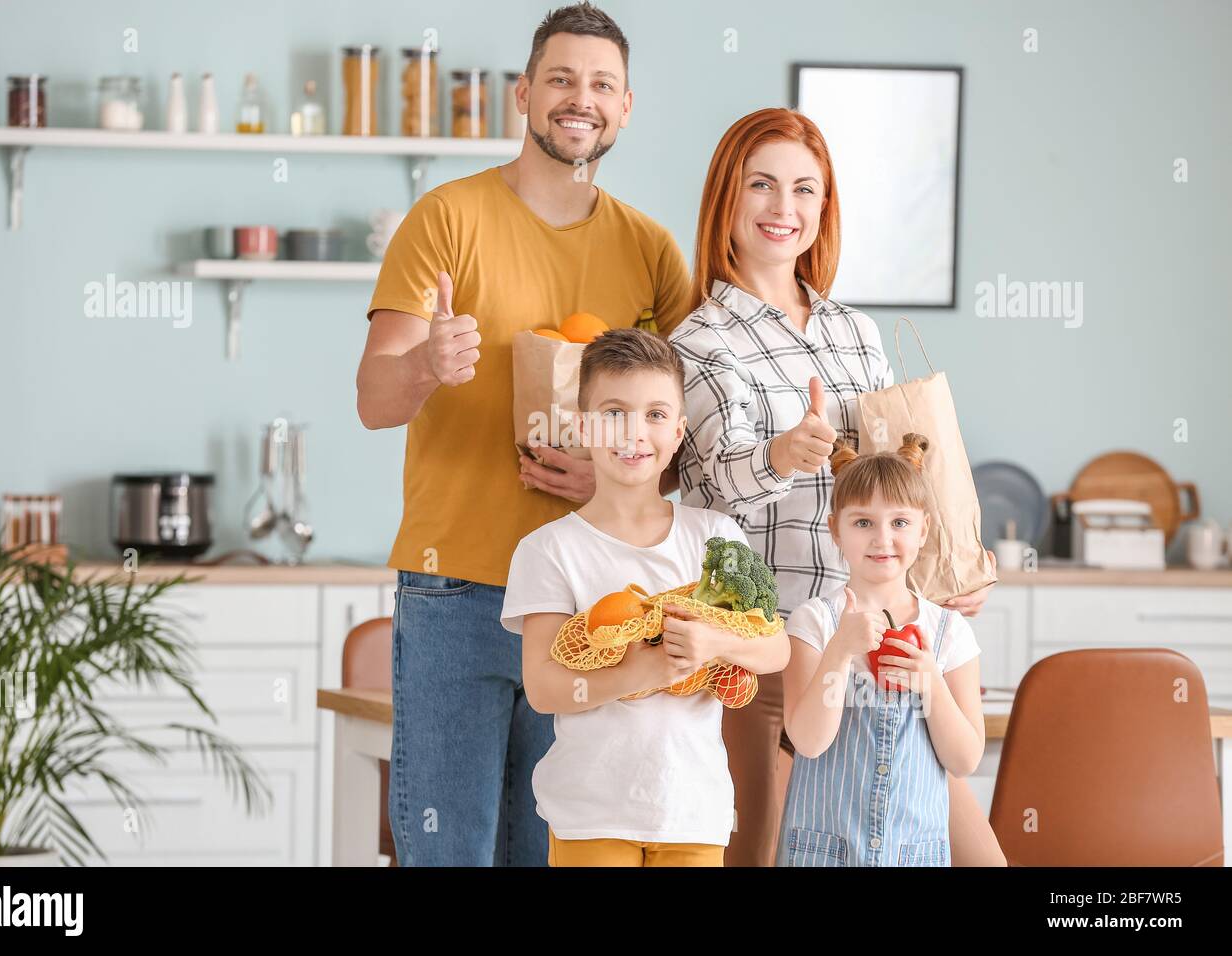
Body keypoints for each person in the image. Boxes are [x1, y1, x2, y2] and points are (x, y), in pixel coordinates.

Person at [354, 3, 691, 865]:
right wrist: (427, 362)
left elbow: (686, 430)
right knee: (448, 851)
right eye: (562, 79)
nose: (581, 99)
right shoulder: (446, 218)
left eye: (601, 85)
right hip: (455, 591)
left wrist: (613, 485)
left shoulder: (652, 252)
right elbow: (373, 397)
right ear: (524, 94)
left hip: (593, 600)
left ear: (625, 107)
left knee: (555, 851)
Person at [669, 107, 1003, 866]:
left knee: (974, 853)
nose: (784, 209)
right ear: (728, 196)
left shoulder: (855, 332)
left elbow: (898, 484)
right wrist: (782, 456)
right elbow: (710, 489)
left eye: (804, 190)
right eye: (762, 185)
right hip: (773, 651)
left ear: (824, 209)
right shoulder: (698, 341)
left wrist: (947, 564)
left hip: (889, 644)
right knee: (761, 850)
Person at [501, 329, 790, 866]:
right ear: (582, 426)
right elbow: (544, 688)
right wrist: (638, 675)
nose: (635, 433)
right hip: (591, 813)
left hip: (693, 809)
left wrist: (712, 641)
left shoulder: (715, 536)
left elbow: (775, 651)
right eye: (615, 412)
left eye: (656, 414)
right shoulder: (548, 551)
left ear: (679, 432)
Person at [778, 434, 985, 865]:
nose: (882, 538)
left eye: (900, 523)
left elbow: (965, 759)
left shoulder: (947, 632)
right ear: (835, 528)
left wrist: (930, 681)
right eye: (863, 522)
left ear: (923, 528)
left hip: (914, 854)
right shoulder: (813, 622)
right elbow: (809, 742)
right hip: (824, 852)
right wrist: (839, 651)